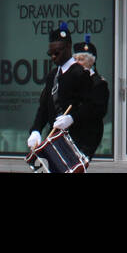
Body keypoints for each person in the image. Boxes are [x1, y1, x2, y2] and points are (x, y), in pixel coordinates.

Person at [27, 22, 91, 157]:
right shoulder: (52, 75)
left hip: (75, 139)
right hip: (55, 138)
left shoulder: (80, 73)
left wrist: (72, 118)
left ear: (68, 47)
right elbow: (44, 107)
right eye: (50, 53)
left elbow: (90, 107)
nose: (53, 57)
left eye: (57, 52)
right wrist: (36, 130)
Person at [73, 35, 109, 158]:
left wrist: (74, 116)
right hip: (71, 131)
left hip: (88, 133)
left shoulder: (99, 83)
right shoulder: (71, 80)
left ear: (92, 61)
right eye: (75, 59)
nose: (77, 62)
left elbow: (99, 111)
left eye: (81, 59)